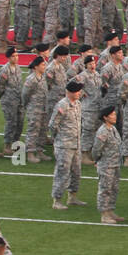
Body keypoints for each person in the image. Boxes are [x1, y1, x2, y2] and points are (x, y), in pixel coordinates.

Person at [49, 81, 87, 210]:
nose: (79, 93)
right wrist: (59, 139)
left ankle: (72, 196)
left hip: (76, 144)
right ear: (70, 92)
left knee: (76, 172)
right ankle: (57, 200)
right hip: (64, 145)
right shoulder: (62, 105)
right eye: (77, 91)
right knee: (62, 173)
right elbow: (53, 125)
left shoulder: (77, 104)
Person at [93, 106, 125, 224]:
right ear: (105, 117)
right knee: (105, 189)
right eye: (112, 115)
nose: (114, 116)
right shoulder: (103, 131)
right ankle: (104, 214)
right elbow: (96, 150)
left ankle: (110, 211)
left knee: (113, 189)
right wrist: (97, 160)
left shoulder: (112, 129)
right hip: (106, 165)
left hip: (115, 164)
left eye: (115, 114)